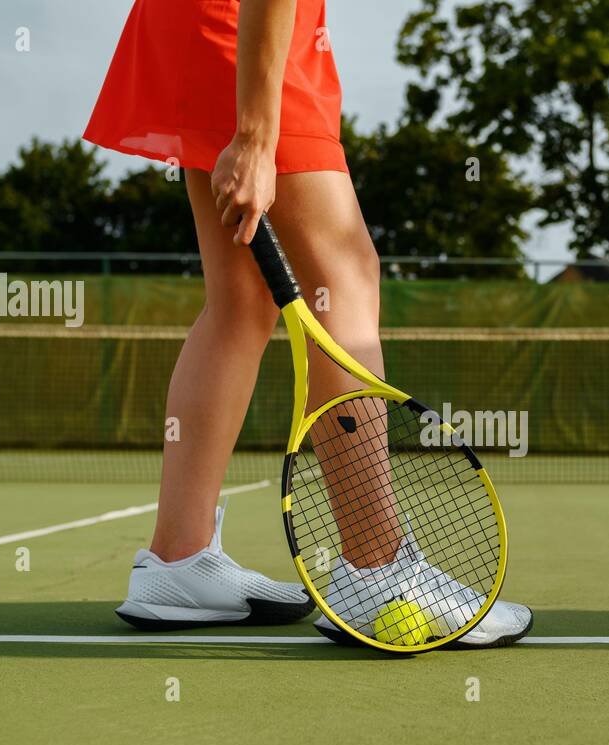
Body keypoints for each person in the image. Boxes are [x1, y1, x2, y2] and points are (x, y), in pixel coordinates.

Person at [83, 0, 531, 647]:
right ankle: (373, 565)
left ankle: (179, 561)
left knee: (241, 299)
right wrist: (258, 135)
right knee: (343, 273)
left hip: (228, 29)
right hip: (244, 25)